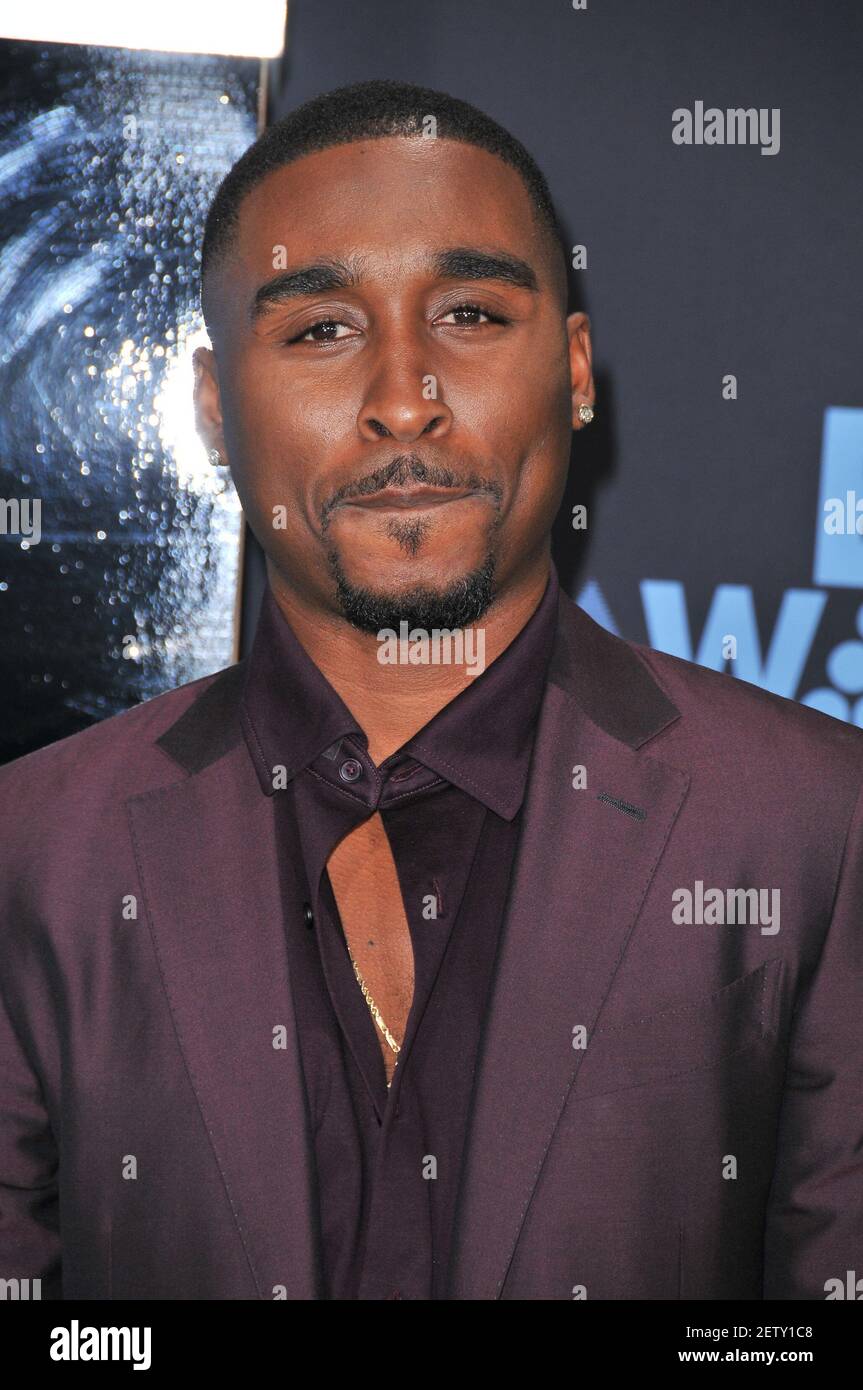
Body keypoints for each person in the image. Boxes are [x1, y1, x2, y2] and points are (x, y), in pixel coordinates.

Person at [1, 78, 860, 1302]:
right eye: (320, 330)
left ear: (575, 370)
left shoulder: (813, 824)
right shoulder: (35, 855)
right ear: (213, 409)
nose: (404, 398)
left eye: (468, 313)